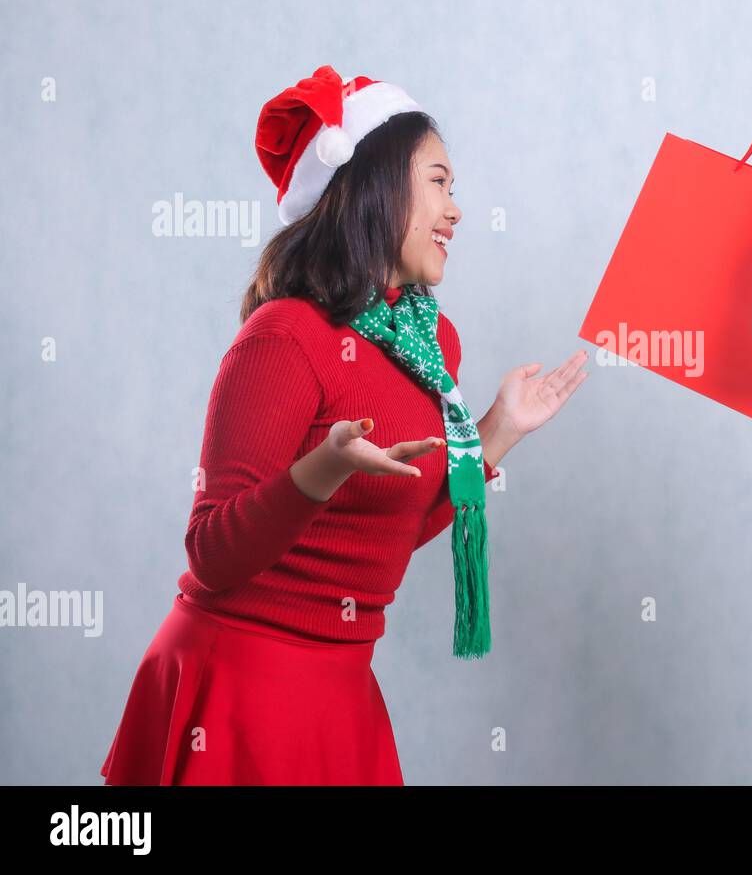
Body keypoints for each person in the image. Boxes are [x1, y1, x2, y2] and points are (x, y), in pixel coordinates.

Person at [100, 65, 588, 785]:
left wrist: (495, 433)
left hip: (342, 685)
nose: (456, 211)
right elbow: (211, 552)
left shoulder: (431, 343)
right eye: (440, 183)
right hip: (242, 681)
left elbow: (386, 534)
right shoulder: (284, 336)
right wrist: (321, 470)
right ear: (373, 187)